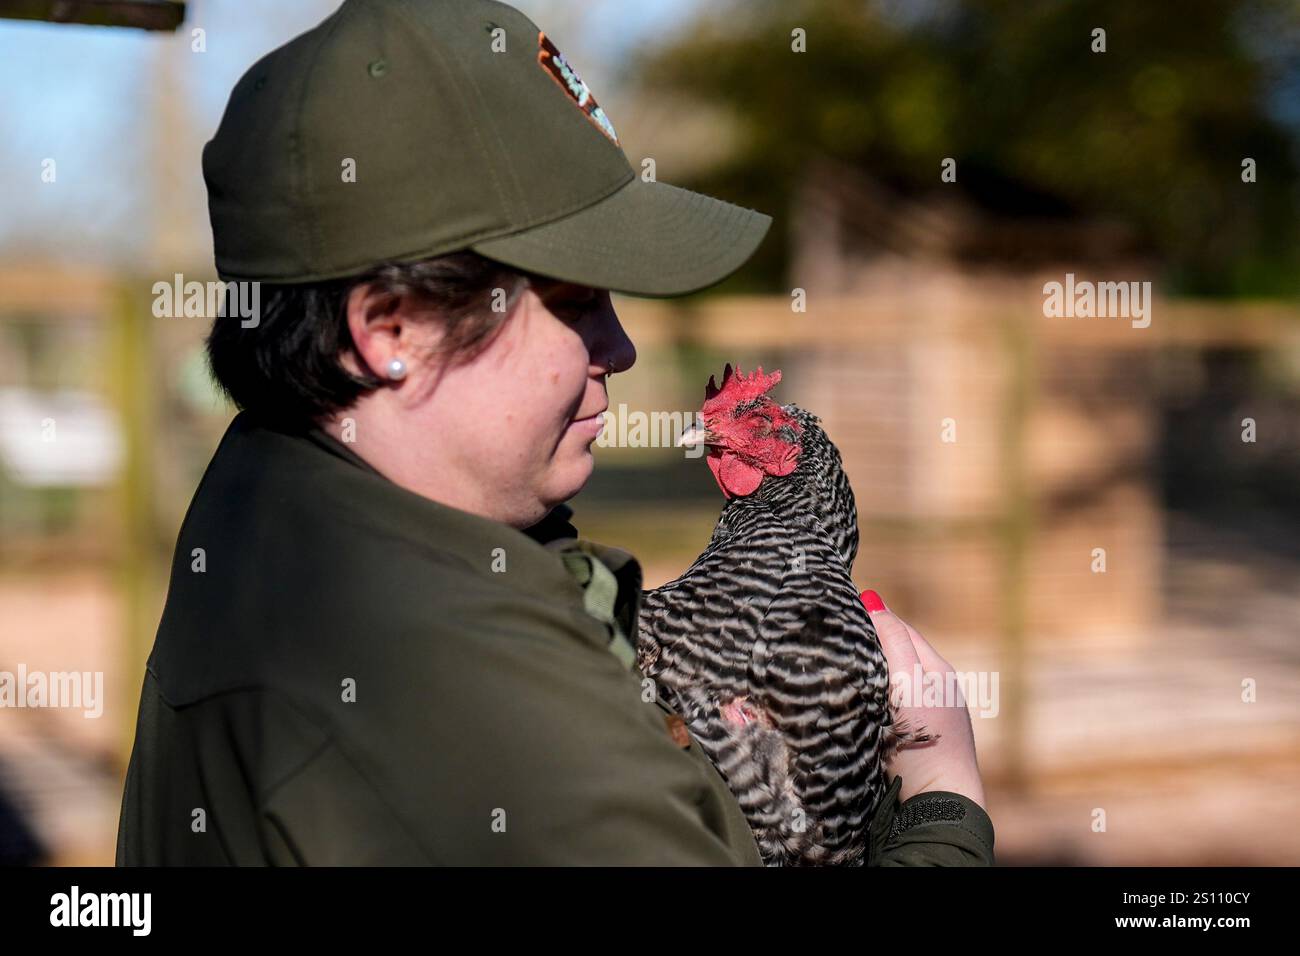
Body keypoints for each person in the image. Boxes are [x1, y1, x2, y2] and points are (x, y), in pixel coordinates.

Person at [116, 0, 993, 866]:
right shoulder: (479, 700)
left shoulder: (267, 497)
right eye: (574, 303)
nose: (620, 345)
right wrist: (942, 802)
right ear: (390, 331)